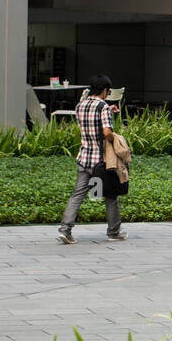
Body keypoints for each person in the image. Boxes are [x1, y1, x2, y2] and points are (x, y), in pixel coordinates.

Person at [58, 74, 125, 244]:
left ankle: (65, 230)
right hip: (100, 162)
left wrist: (108, 111)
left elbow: (89, 121)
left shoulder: (80, 105)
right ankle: (113, 232)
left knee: (77, 195)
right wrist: (115, 138)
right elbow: (106, 133)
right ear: (104, 90)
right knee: (111, 195)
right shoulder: (102, 106)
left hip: (84, 158)